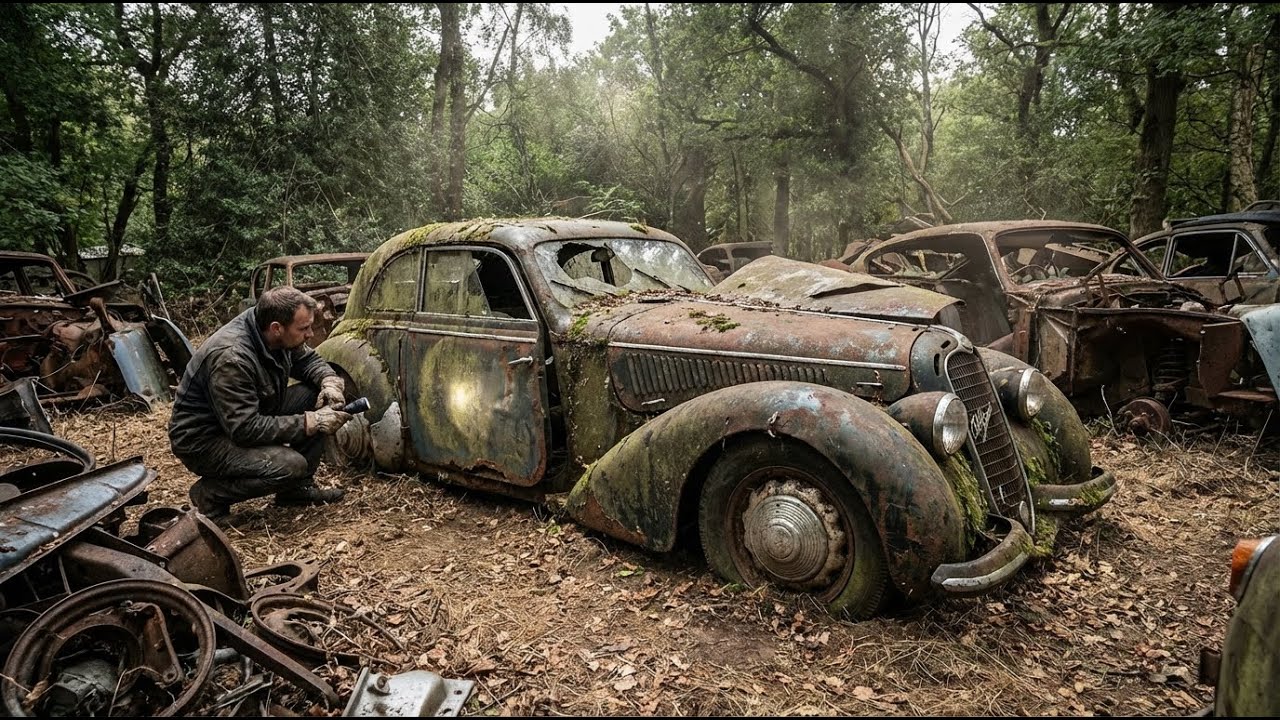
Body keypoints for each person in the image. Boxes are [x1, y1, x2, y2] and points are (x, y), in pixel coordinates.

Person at [168, 286, 352, 520]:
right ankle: (210, 495)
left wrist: (328, 381)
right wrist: (311, 422)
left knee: (315, 395)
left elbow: (306, 359)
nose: (309, 335)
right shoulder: (232, 358)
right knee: (290, 465)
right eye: (303, 328)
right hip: (204, 440)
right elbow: (244, 428)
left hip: (245, 413)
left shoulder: (270, 328)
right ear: (277, 328)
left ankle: (295, 491)